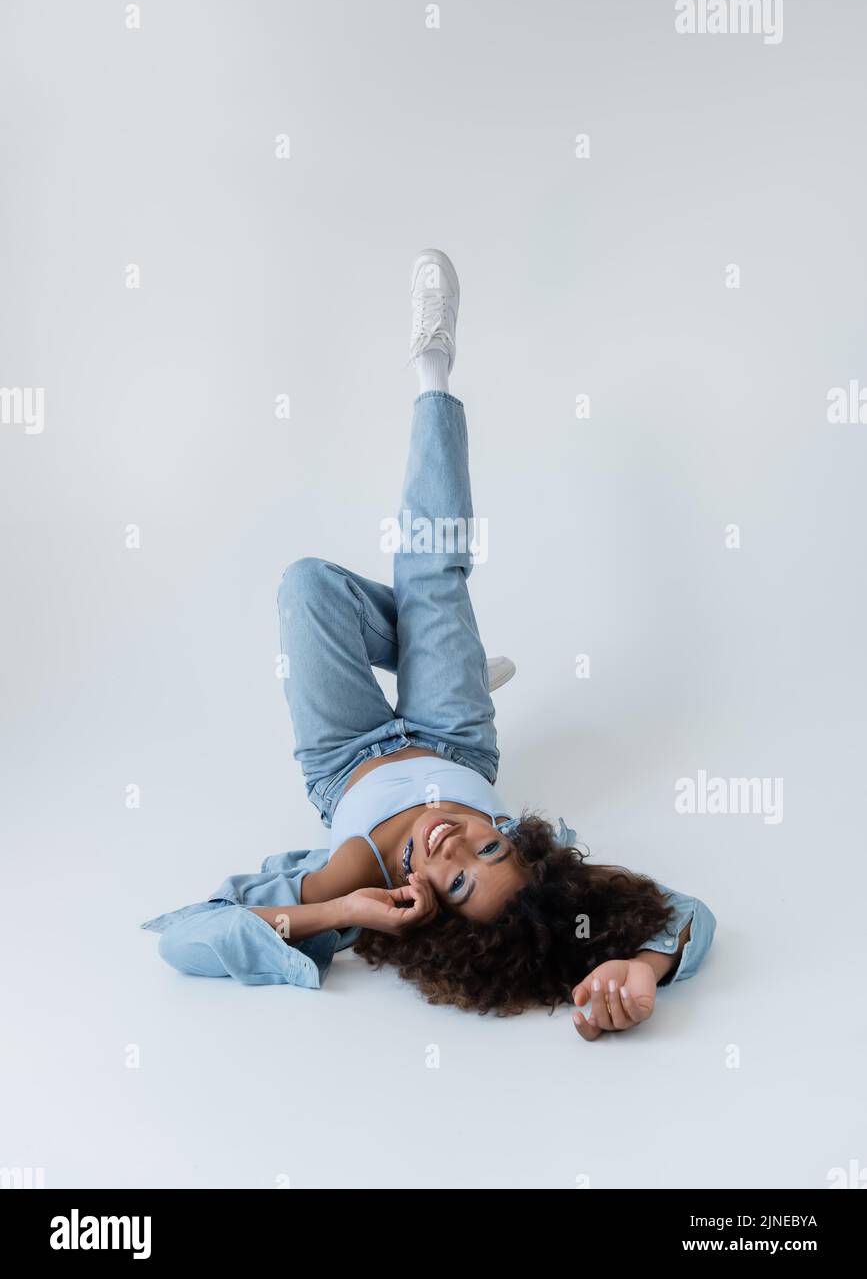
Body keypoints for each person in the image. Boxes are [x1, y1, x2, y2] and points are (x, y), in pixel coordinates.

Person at [142, 251, 716, 1038]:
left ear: (425, 912)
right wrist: (645, 962)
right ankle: (432, 369)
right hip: (454, 734)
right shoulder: (545, 855)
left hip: (345, 754)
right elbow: (681, 910)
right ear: (514, 839)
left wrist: (340, 908)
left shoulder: (345, 883)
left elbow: (184, 936)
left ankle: (442, 653)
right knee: (430, 575)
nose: (454, 849)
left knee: (309, 584)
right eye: (487, 852)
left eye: (450, 884)